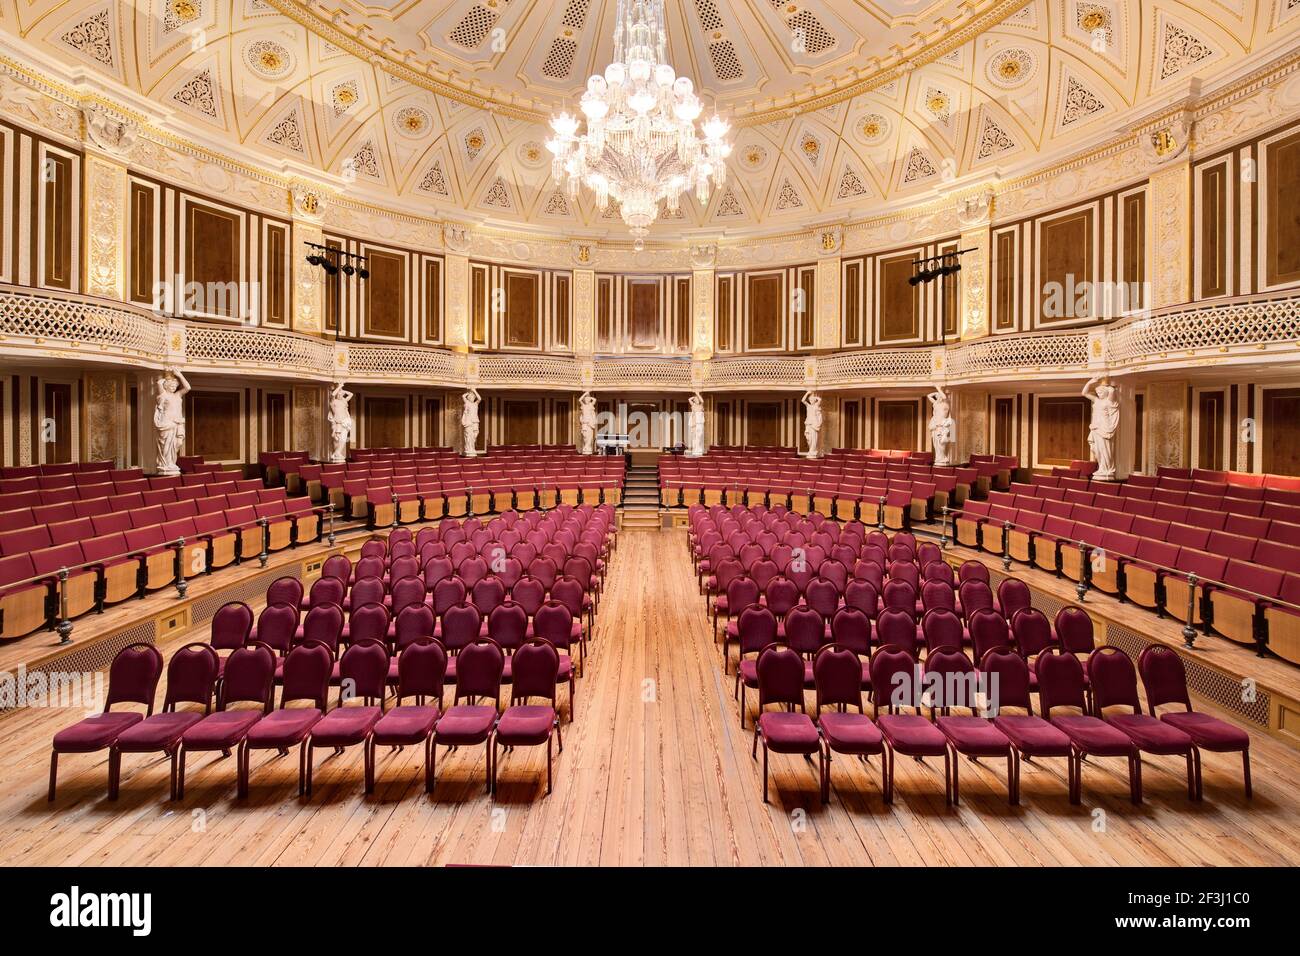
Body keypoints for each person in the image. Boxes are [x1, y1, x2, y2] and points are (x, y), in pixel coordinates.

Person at [153, 368, 190, 476]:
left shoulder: (177, 395)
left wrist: (179, 375)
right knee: (166, 445)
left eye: (175, 386)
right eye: (171, 386)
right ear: (166, 387)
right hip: (167, 423)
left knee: (178, 443)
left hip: (178, 423)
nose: (173, 388)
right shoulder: (164, 395)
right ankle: (166, 464)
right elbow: (160, 383)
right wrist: (165, 377)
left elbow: (188, 387)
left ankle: (171, 463)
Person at [1083, 375, 1119, 480]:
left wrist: (1106, 382)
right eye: (1098, 392)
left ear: (1106, 392)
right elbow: (1084, 393)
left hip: (1104, 427)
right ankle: (1101, 467)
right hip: (1095, 427)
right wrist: (1090, 382)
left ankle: (1106, 469)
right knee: (1096, 449)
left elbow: (1112, 390)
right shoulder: (1096, 400)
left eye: (1101, 392)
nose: (1099, 394)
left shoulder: (1109, 401)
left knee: (1105, 449)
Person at [927, 387, 955, 466]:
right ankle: (939, 458)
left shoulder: (945, 405)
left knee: (942, 444)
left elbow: (944, 397)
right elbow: (928, 396)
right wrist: (936, 393)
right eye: (937, 397)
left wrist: (938, 388)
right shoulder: (936, 404)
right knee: (936, 445)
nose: (938, 398)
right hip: (935, 427)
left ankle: (942, 458)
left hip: (942, 427)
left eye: (939, 396)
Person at [327, 382, 354, 464]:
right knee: (336, 438)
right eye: (338, 394)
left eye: (341, 394)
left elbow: (351, 394)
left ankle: (337, 453)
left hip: (345, 422)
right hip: (337, 422)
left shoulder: (344, 401)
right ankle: (336, 453)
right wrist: (339, 387)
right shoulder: (333, 402)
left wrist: (343, 390)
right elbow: (332, 394)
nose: (339, 395)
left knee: (343, 439)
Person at [801, 391, 823, 458]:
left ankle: (813, 451)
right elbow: (803, 400)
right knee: (808, 438)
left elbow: (820, 400)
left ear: (814, 400)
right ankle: (811, 450)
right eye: (810, 400)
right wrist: (807, 393)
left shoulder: (816, 406)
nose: (811, 401)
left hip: (814, 425)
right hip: (808, 424)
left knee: (814, 439)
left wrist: (815, 396)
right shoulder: (808, 406)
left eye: (812, 400)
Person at [461, 387, 482, 457]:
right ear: (469, 398)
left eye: (473, 397)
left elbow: (479, 398)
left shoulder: (476, 404)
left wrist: (474, 391)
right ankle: (469, 449)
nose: (472, 397)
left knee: (475, 435)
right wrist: (469, 392)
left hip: (475, 421)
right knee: (469, 436)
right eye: (471, 396)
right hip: (469, 422)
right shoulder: (467, 403)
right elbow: (463, 396)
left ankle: (472, 448)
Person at [687, 392, 705, 457]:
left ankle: (699, 449)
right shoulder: (693, 405)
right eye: (696, 400)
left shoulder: (701, 406)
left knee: (699, 436)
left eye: (698, 400)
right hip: (694, 423)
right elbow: (689, 399)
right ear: (694, 401)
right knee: (694, 437)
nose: (697, 400)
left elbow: (702, 400)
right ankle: (695, 449)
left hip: (700, 423)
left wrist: (697, 394)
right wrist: (694, 397)